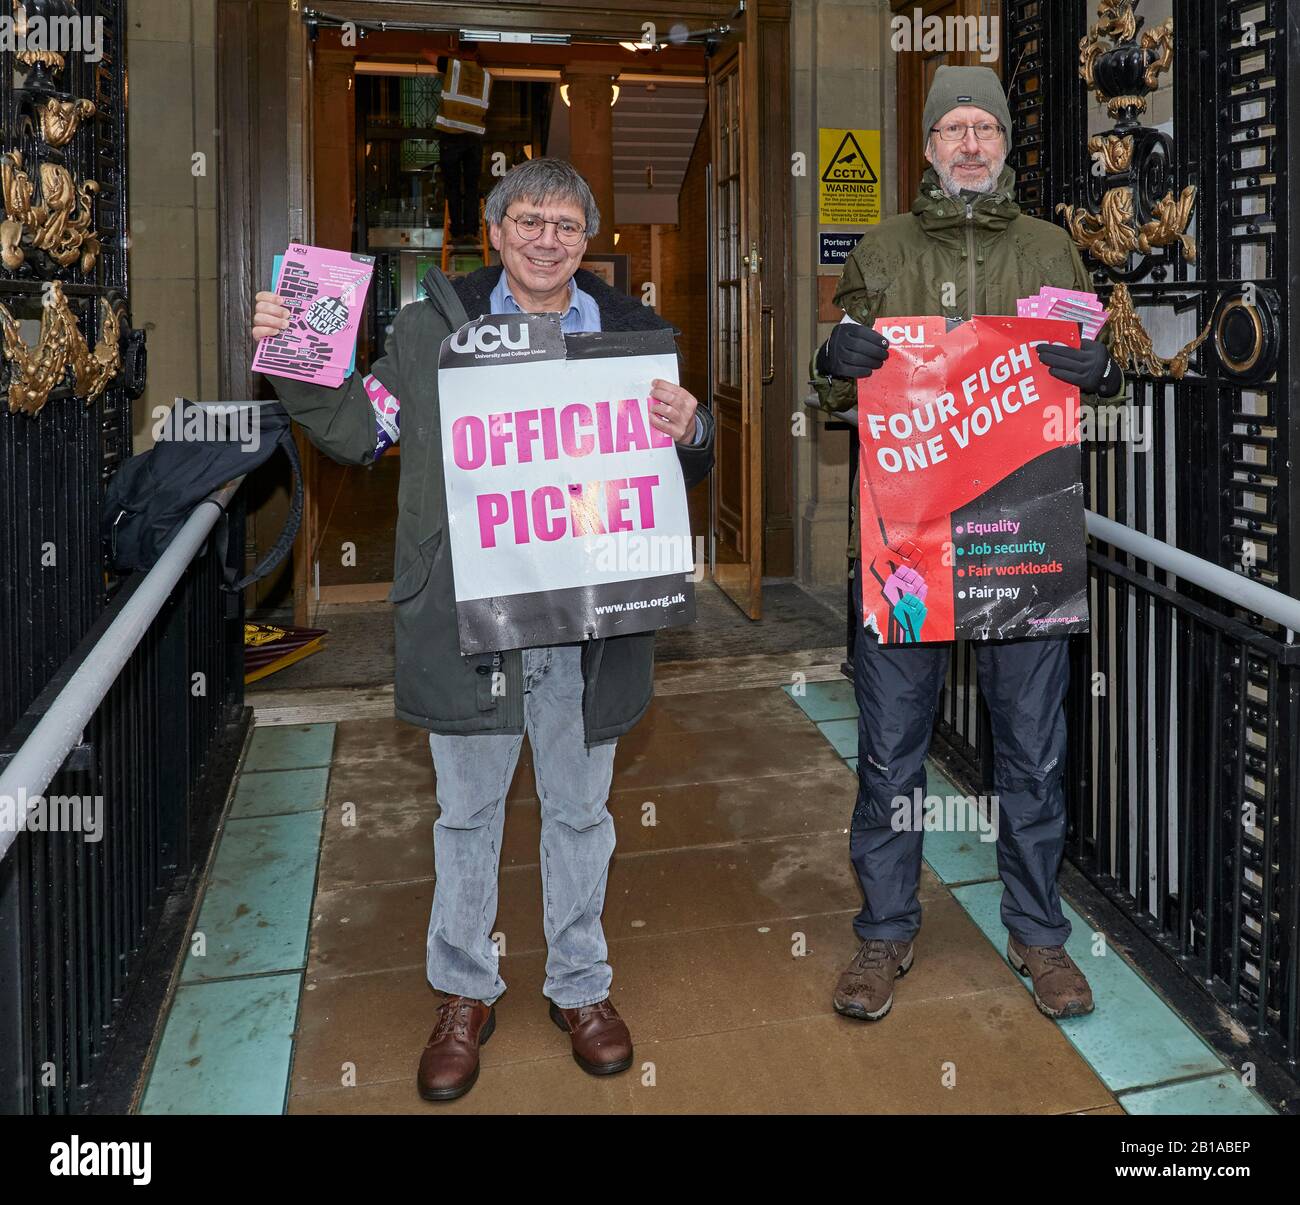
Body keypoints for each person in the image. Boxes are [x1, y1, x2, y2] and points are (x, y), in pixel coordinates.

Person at [251, 157, 714, 1101]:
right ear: (496, 232)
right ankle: (464, 993)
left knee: (582, 812)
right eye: (529, 221)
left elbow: (672, 470)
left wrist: (693, 428)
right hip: (474, 621)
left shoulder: (632, 336)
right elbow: (358, 428)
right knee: (465, 816)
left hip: (591, 627)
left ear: (588, 241)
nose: (548, 239)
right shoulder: (432, 331)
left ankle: (580, 989)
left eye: (567, 226)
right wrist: (292, 353)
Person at [809, 66, 1124, 1024]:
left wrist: (1101, 368)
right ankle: (884, 932)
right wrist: (834, 364)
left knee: (1032, 754)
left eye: (987, 126)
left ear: (1004, 144)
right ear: (932, 147)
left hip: (1022, 543)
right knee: (892, 754)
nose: (973, 143)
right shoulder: (884, 246)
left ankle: (1038, 934)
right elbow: (838, 387)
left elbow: (1093, 376)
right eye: (955, 128)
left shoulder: (1054, 247)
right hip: (907, 548)